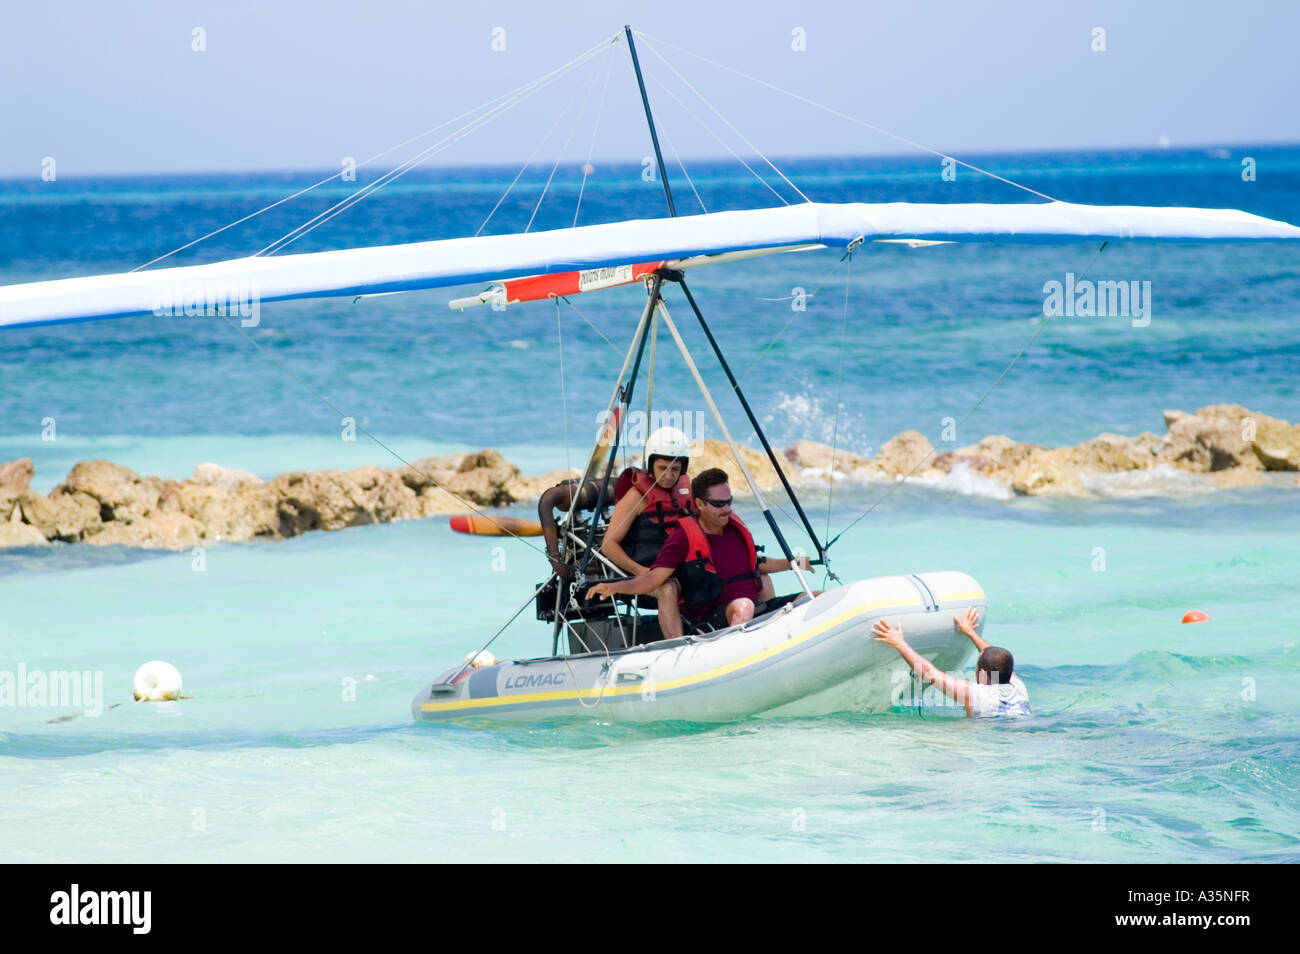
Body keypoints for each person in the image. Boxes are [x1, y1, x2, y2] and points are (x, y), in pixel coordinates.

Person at [587, 468, 812, 637]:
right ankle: (734, 659)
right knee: (744, 606)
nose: (727, 509)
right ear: (700, 504)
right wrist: (616, 587)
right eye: (718, 504)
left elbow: (758, 563)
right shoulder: (683, 538)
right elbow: (653, 579)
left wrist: (796, 563)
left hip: (756, 608)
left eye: (729, 502)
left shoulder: (735, 528)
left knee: (814, 597)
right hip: (713, 618)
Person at [871, 607, 1031, 718]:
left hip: (987, 740)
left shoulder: (977, 695)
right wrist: (970, 632)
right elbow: (995, 657)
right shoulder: (1019, 688)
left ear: (982, 674)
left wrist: (899, 643)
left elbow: (930, 674)